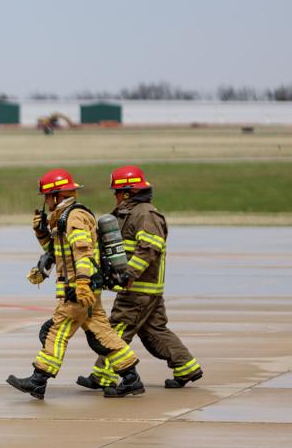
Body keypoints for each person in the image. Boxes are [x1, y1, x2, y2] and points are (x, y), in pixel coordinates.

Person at [7, 168, 144, 399]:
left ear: (58, 195)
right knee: (103, 334)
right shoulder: (64, 217)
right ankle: (132, 379)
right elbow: (57, 252)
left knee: (56, 332)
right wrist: (41, 233)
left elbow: (83, 252)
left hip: (78, 290)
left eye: (47, 197)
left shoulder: (74, 217)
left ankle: (38, 380)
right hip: (84, 289)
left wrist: (81, 283)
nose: (46, 201)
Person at [77, 165, 202, 390]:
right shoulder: (130, 213)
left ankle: (102, 376)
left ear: (128, 192)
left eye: (117, 191)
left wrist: (129, 275)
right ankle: (187, 368)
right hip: (143, 288)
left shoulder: (145, 214)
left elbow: (149, 247)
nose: (114, 196)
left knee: (116, 330)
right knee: (155, 331)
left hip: (138, 287)